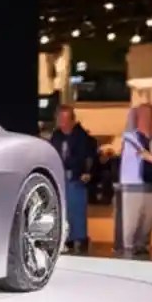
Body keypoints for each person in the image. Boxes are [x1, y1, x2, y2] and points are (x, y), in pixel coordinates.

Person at [117, 103, 152, 257]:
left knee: (148, 221)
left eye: (150, 115)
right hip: (134, 184)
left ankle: (143, 248)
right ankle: (128, 250)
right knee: (131, 222)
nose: (147, 119)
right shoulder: (130, 137)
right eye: (144, 115)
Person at [48, 105, 96, 253]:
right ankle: (64, 240)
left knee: (77, 211)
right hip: (59, 179)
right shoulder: (56, 136)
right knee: (62, 211)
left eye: (65, 119)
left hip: (75, 178)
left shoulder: (83, 137)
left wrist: (87, 172)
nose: (62, 122)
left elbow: (89, 157)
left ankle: (80, 241)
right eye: (60, 119)